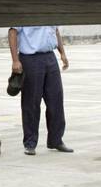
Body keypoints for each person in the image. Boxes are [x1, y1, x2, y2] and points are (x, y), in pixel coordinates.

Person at [8, 25, 72, 155]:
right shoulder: (24, 10)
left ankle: (56, 140)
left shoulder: (49, 10)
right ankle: (30, 143)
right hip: (31, 58)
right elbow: (12, 32)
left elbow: (56, 31)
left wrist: (62, 53)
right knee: (31, 103)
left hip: (50, 57)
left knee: (56, 100)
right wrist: (15, 60)